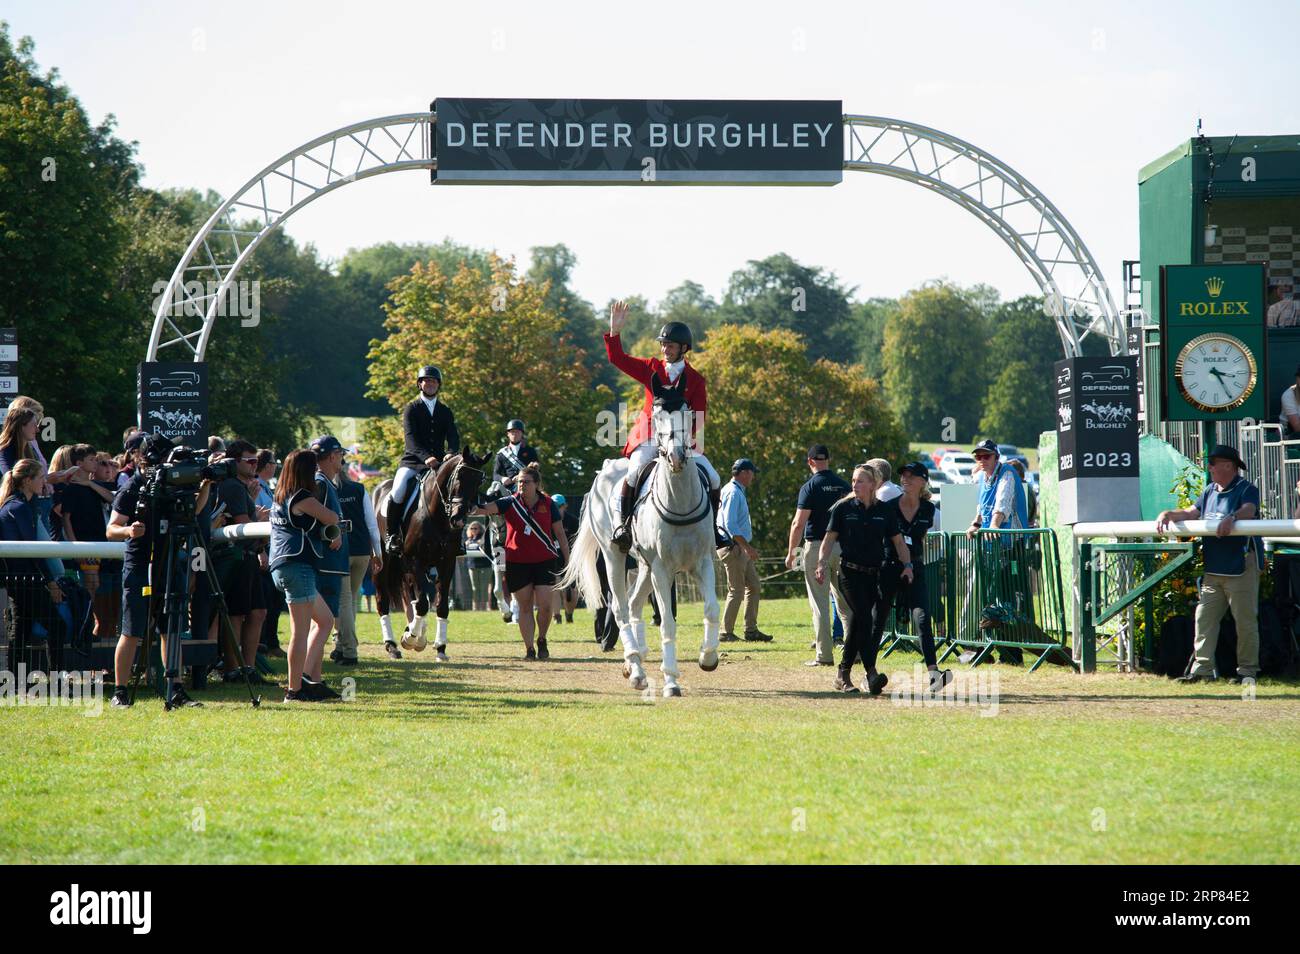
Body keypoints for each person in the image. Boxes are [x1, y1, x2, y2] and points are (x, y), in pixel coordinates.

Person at [603, 300, 721, 551]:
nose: (665, 348)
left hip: (680, 439)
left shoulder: (696, 380)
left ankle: (713, 530)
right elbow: (617, 358)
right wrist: (615, 333)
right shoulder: (651, 368)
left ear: (683, 348)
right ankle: (623, 525)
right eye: (663, 344)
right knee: (634, 473)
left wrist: (678, 441)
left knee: (713, 477)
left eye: (670, 345)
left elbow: (699, 415)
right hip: (647, 436)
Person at [105, 434, 211, 709]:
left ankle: (174, 688)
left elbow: (193, 512)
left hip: (169, 563)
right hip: (140, 565)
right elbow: (111, 529)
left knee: (171, 629)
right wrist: (129, 530)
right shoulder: (134, 486)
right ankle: (121, 691)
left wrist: (206, 486)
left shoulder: (173, 485)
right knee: (132, 630)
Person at [1157, 445, 1263, 683]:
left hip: (1241, 566)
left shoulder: (1247, 489)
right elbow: (1191, 512)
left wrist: (1232, 517)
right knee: (1203, 619)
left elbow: (1249, 509)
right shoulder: (1209, 491)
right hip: (1214, 569)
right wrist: (1169, 514)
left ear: (1229, 466)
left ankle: (1247, 672)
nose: (1209, 467)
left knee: (1245, 622)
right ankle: (1202, 671)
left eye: (1213, 462)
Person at [816, 464, 913, 695]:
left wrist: (907, 566)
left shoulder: (885, 511)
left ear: (873, 485)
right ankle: (870, 672)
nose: (854, 485)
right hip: (848, 574)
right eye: (853, 480)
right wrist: (820, 563)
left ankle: (842, 675)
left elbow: (899, 542)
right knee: (863, 619)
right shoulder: (843, 508)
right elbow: (828, 540)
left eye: (860, 481)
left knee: (859, 624)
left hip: (873, 575)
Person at [473, 462, 571, 660]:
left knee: (545, 606)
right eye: (518, 482)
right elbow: (481, 510)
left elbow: (560, 533)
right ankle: (530, 649)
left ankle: (542, 639)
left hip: (545, 560)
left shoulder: (549, 503)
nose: (521, 485)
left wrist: (568, 562)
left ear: (536, 484)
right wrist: (467, 496)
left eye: (525, 482)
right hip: (517, 562)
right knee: (525, 607)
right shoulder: (509, 502)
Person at [269, 449, 341, 702]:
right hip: (297, 565)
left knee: (324, 621)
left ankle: (310, 680)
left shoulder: (280, 495)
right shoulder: (302, 497)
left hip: (282, 565)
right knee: (300, 632)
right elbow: (332, 516)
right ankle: (295, 688)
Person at [876, 462, 952, 693]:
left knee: (922, 618)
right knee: (877, 620)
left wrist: (920, 558)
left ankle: (933, 674)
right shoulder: (887, 507)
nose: (905, 479)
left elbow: (939, 538)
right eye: (903, 476)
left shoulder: (930, 511)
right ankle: (868, 672)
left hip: (915, 569)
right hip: (889, 568)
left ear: (923, 481)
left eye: (912, 476)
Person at [785, 444, 852, 666]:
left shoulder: (810, 487)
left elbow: (798, 523)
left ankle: (824, 656)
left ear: (810, 461)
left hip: (816, 548)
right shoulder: (844, 485)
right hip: (842, 547)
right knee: (846, 604)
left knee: (820, 604)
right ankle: (856, 653)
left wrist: (792, 553)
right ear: (828, 460)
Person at [0, 459, 69, 674]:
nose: (44, 481)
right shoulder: (18, 507)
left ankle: (13, 682)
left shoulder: (20, 506)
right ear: (28, 481)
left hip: (20, 578)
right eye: (40, 477)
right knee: (56, 626)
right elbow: (35, 552)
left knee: (21, 631)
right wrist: (51, 582)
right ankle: (56, 678)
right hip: (24, 579)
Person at [965, 438, 1030, 664]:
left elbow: (1002, 503)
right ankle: (1001, 650)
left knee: (1007, 600)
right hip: (993, 547)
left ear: (996, 457)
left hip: (1013, 547)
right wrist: (975, 524)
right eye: (978, 456)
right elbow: (982, 507)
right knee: (993, 598)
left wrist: (993, 524)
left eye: (986, 456)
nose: (982, 460)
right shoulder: (984, 478)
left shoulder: (1008, 474)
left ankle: (1013, 654)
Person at [385, 365, 460, 553]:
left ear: (438, 385)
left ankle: (457, 538)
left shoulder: (445, 411)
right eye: (426, 381)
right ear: (420, 384)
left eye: (433, 381)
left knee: (458, 493)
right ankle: (392, 534)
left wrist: (451, 452)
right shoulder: (411, 408)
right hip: (413, 461)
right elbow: (411, 439)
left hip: (439, 464)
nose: (430, 384)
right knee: (398, 490)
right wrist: (427, 457)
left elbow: (453, 436)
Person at [331, 444, 382, 665]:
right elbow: (372, 525)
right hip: (362, 551)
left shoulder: (327, 489)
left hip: (341, 551)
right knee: (350, 601)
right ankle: (340, 646)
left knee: (344, 602)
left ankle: (349, 650)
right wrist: (377, 553)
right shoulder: (360, 489)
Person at [716, 458, 770, 642]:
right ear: (745, 473)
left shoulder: (732, 490)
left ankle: (751, 630)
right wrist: (747, 548)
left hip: (738, 547)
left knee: (754, 586)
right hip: (734, 547)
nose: (753, 477)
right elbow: (730, 524)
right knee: (736, 590)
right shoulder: (733, 492)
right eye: (752, 472)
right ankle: (725, 632)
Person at [310, 436, 350, 677]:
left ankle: (314, 676)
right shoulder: (319, 482)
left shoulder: (327, 482)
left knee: (323, 624)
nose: (342, 460)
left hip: (333, 564)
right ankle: (308, 677)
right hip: (325, 563)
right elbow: (309, 519)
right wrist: (332, 532)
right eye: (340, 455)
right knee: (320, 624)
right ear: (333, 455)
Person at [551, 493, 580, 623]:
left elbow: (578, 542)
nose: (556, 509)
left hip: (571, 559)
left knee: (571, 592)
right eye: (553, 506)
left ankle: (569, 614)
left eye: (559, 506)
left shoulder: (573, 521)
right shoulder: (547, 521)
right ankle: (556, 616)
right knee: (555, 587)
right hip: (554, 558)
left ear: (565, 506)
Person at [493, 419, 540, 492]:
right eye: (512, 432)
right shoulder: (501, 454)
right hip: (507, 489)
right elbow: (495, 475)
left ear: (522, 434)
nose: (515, 434)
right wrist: (502, 478)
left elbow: (537, 471)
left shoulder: (530, 451)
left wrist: (521, 477)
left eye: (517, 432)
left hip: (525, 486)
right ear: (508, 434)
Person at [463, 521, 494, 611]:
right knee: (475, 588)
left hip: (485, 566)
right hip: (472, 566)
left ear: (480, 529)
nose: (474, 530)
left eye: (476, 528)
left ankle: (483, 608)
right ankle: (475, 608)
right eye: (472, 528)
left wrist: (481, 543)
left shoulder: (485, 539)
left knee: (483, 588)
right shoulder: (468, 541)